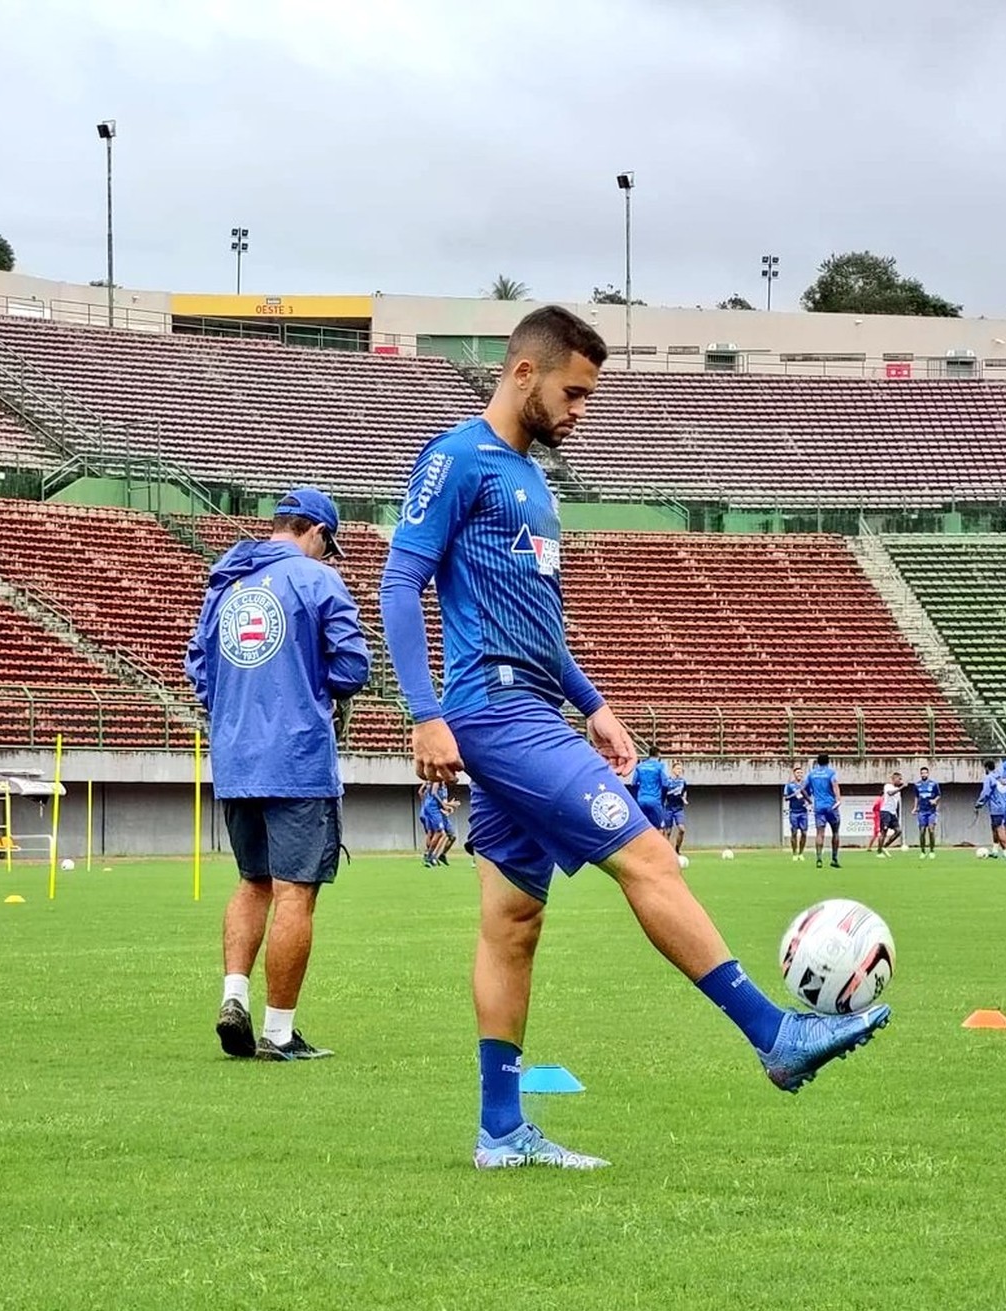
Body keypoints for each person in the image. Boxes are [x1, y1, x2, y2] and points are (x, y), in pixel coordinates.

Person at [378, 306, 888, 1169]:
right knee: (649, 857)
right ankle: (775, 1034)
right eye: (573, 393)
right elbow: (400, 580)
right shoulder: (459, 457)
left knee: (513, 920)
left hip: (537, 702)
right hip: (496, 711)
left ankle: (501, 1130)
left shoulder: (535, 483)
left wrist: (593, 701)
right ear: (523, 373)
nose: (581, 411)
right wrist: (425, 712)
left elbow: (536, 620)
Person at [186, 488, 371, 1061]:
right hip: (295, 759)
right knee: (296, 892)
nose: (327, 554)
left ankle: (233, 996)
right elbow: (352, 664)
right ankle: (278, 1033)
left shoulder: (225, 584)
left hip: (236, 759)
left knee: (252, 882)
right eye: (327, 545)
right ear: (315, 531)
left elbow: (199, 668)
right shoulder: (318, 581)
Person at [805, 753, 842, 870]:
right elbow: (835, 785)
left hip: (819, 807)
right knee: (835, 832)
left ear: (817, 761)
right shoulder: (831, 773)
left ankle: (819, 858)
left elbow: (803, 788)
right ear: (828, 761)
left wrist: (809, 800)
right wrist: (838, 799)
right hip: (831, 806)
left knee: (820, 833)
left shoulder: (812, 774)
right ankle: (834, 859)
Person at [628, 744, 669, 829]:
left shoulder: (640, 766)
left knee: (642, 828)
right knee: (660, 827)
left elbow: (633, 784)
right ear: (658, 754)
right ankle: (658, 842)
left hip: (641, 800)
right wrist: (663, 799)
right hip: (655, 801)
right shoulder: (660, 766)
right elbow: (665, 784)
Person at [974, 758, 1006, 857]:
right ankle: (995, 850)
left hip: (996, 808)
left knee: (999, 829)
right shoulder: (1000, 777)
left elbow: (985, 793)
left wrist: (978, 804)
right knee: (994, 827)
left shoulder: (989, 778)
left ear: (987, 768)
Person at [914, 765, 942, 859]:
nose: (924, 774)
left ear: (928, 774)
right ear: (920, 774)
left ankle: (932, 851)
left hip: (931, 811)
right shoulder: (917, 784)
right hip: (921, 811)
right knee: (922, 831)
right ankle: (922, 851)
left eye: (925, 773)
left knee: (931, 830)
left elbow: (938, 795)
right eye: (922, 773)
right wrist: (915, 807)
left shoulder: (934, 784)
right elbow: (916, 797)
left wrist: (935, 800)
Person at [782, 763, 809, 861]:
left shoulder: (805, 784)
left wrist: (808, 803)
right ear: (794, 774)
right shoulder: (789, 785)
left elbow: (808, 797)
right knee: (794, 833)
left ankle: (801, 853)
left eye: (801, 773)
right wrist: (794, 794)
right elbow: (786, 798)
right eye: (798, 773)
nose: (799, 774)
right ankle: (794, 853)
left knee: (804, 833)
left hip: (803, 812)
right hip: (794, 812)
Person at [662, 760, 688, 854]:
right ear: (673, 770)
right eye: (677, 768)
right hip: (668, 808)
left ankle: (677, 849)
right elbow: (663, 794)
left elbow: (684, 791)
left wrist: (684, 799)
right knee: (668, 831)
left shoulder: (683, 781)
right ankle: (667, 852)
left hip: (678, 809)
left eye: (680, 769)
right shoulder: (667, 781)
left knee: (682, 829)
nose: (679, 770)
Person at [877, 773, 904, 858]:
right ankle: (879, 851)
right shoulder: (888, 786)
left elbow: (897, 803)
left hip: (893, 813)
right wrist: (901, 788)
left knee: (898, 831)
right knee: (884, 831)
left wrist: (897, 814)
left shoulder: (897, 790)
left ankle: (885, 846)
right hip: (885, 812)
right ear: (894, 779)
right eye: (899, 779)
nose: (900, 781)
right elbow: (890, 793)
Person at [418, 781, 444, 867]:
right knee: (439, 832)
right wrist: (443, 805)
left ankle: (429, 854)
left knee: (431, 832)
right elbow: (434, 793)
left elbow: (421, 792)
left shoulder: (429, 783)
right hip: (432, 810)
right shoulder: (437, 779)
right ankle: (430, 856)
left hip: (426, 810)